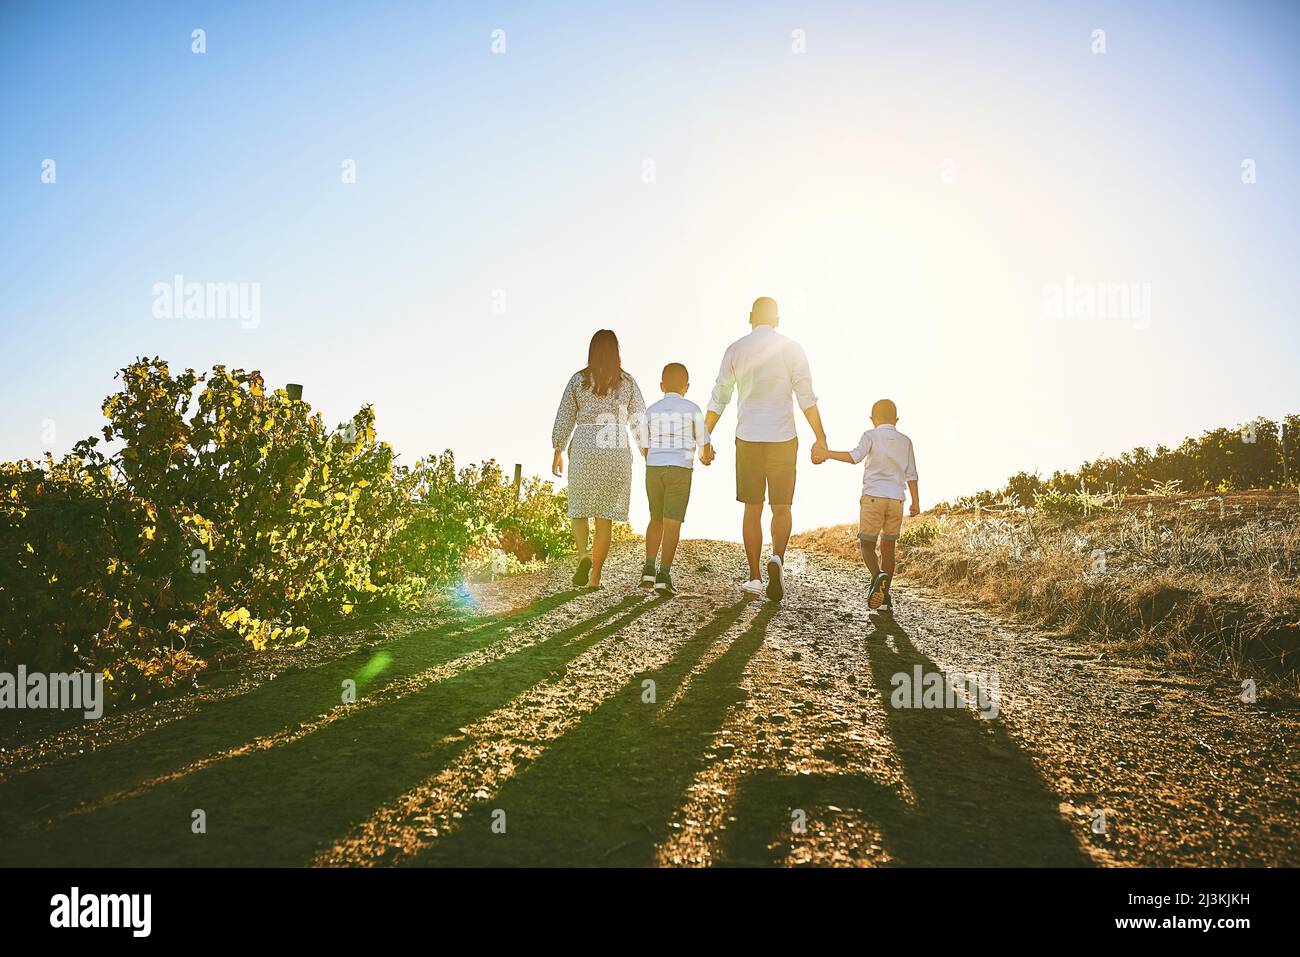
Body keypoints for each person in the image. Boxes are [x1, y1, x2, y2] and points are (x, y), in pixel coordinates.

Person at [704, 296, 827, 601]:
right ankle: (778, 559)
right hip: (783, 437)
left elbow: (719, 396)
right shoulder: (792, 348)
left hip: (749, 437)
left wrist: (705, 436)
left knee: (752, 508)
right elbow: (806, 397)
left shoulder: (735, 349)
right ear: (778, 320)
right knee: (782, 507)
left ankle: (755, 577)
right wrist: (820, 438)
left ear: (749, 317)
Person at [551, 329, 647, 589]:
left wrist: (558, 450)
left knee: (578, 507)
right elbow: (638, 417)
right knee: (604, 517)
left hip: (584, 446)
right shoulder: (627, 382)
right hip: (614, 448)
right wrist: (645, 448)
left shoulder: (578, 381)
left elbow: (565, 416)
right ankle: (594, 578)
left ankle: (583, 555)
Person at [813, 398, 920, 610]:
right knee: (888, 550)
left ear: (873, 419)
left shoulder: (870, 436)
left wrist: (827, 454)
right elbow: (912, 474)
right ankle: (885, 597)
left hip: (873, 497)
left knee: (867, 546)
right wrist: (915, 503)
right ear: (896, 419)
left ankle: (877, 575)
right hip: (897, 500)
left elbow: (854, 457)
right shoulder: (906, 441)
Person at [639, 363, 714, 596]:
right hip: (680, 469)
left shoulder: (650, 411)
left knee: (655, 519)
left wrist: (654, 461)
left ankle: (648, 570)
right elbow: (705, 445)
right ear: (687, 387)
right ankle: (664, 575)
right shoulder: (693, 409)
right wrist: (706, 457)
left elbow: (644, 446)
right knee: (672, 523)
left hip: (654, 469)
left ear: (661, 386)